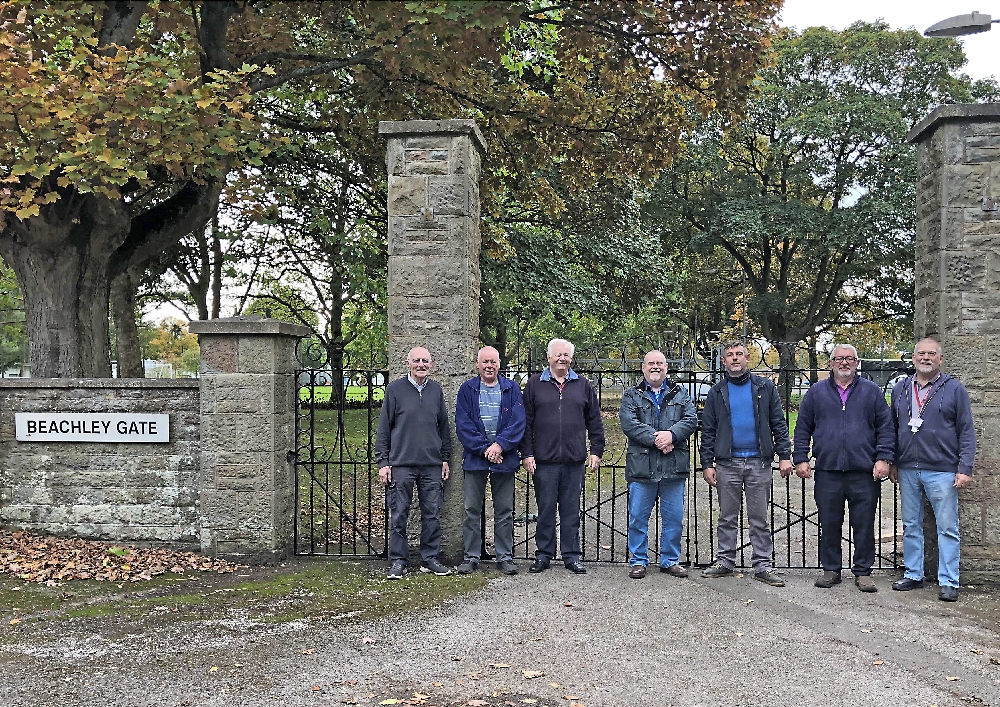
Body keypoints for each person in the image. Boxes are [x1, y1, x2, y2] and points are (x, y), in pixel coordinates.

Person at [793, 344, 894, 593]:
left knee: (863, 523)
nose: (844, 363)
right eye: (839, 359)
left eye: (849, 359)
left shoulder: (871, 392)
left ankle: (863, 572)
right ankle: (831, 570)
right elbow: (803, 427)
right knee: (829, 523)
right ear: (831, 363)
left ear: (857, 363)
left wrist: (884, 458)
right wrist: (800, 458)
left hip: (864, 471)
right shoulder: (816, 392)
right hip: (828, 470)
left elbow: (886, 427)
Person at [889, 338, 976, 602]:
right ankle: (913, 574)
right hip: (907, 468)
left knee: (947, 527)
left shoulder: (954, 389)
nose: (925, 357)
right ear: (913, 358)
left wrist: (965, 468)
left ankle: (949, 580)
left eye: (931, 354)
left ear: (940, 359)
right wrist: (892, 460)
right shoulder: (901, 388)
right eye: (921, 353)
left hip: (942, 470)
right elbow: (892, 427)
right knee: (911, 524)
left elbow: (967, 431)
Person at [700, 341, 793, 586]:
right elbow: (708, 430)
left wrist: (785, 455)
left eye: (739, 354)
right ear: (723, 361)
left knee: (759, 517)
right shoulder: (716, 392)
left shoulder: (765, 388)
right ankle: (725, 561)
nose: (734, 359)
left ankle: (762, 564)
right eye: (729, 355)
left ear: (747, 357)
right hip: (727, 463)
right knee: (727, 517)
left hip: (758, 462)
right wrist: (706, 463)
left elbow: (778, 424)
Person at [520, 338, 605, 574]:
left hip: (573, 460)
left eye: (566, 355)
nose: (562, 359)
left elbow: (595, 421)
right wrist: (526, 454)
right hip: (543, 461)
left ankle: (571, 555)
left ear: (571, 358)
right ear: (548, 357)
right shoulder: (535, 384)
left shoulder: (583, 385)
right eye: (558, 355)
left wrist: (596, 450)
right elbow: (526, 423)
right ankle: (544, 555)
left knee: (570, 510)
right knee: (545, 510)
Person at [375, 346, 452, 579]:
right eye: (416, 360)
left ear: (431, 364)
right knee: (399, 514)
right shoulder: (395, 390)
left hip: (431, 464)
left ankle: (430, 558)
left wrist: (445, 459)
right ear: (407, 363)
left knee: (432, 514)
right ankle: (398, 560)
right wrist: (383, 462)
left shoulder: (436, 390)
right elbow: (384, 430)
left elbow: (444, 428)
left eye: (425, 361)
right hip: (401, 464)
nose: (421, 364)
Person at [619, 350, 698, 579]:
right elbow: (629, 423)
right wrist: (658, 439)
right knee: (637, 517)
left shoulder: (680, 393)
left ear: (666, 368)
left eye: (660, 363)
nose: (656, 367)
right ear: (643, 368)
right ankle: (638, 560)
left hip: (674, 467)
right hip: (642, 467)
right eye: (651, 363)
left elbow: (691, 420)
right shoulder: (631, 395)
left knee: (673, 517)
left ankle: (670, 560)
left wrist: (672, 435)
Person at [454, 346, 526, 575]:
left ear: (499, 364)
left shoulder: (512, 388)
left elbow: (518, 422)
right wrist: (486, 448)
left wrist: (499, 445)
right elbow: (463, 425)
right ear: (477, 364)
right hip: (476, 458)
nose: (489, 366)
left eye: (493, 362)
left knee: (504, 510)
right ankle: (471, 556)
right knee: (472, 509)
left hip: (504, 457)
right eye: (485, 362)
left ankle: (504, 556)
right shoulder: (467, 390)